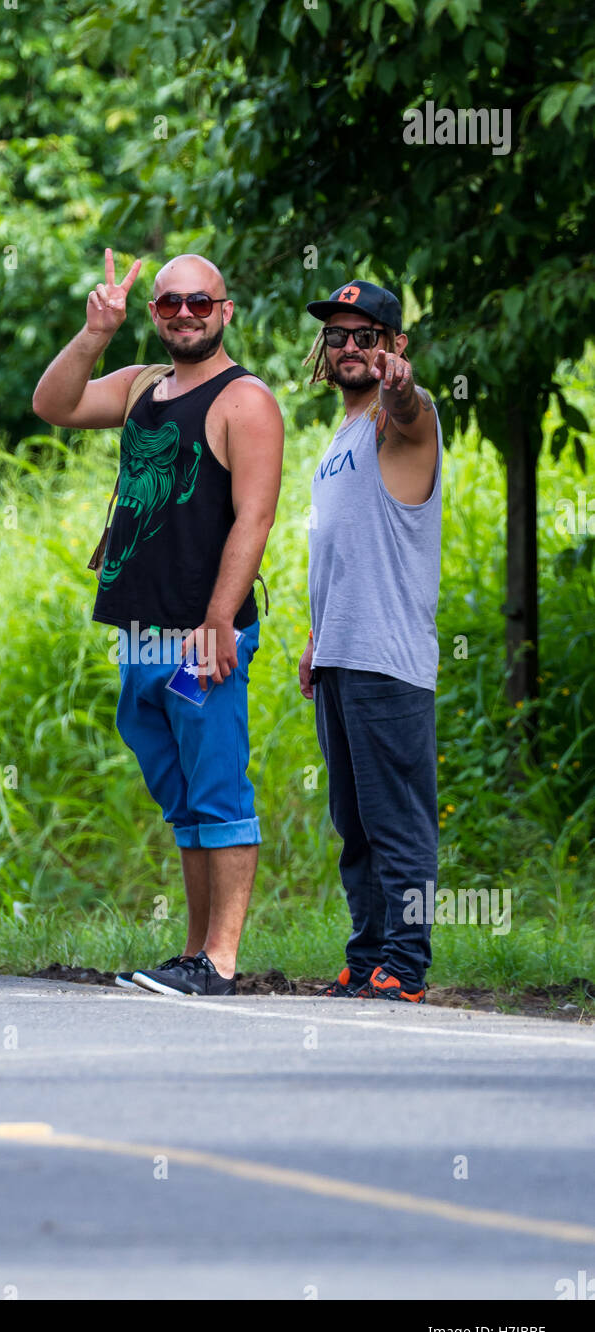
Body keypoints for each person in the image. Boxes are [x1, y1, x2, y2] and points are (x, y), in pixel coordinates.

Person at [33, 250, 283, 996]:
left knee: (217, 790)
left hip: (201, 631)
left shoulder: (246, 401)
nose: (184, 314)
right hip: (141, 628)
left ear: (225, 310)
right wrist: (94, 334)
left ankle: (222, 960)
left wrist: (216, 621)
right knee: (181, 798)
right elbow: (54, 405)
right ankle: (192, 955)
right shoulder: (145, 385)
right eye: (170, 303)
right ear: (153, 314)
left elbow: (255, 516)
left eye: (199, 303)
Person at [298, 280, 442, 1003]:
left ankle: (406, 967)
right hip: (340, 658)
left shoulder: (403, 421)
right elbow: (344, 548)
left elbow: (408, 406)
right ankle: (367, 957)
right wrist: (316, 639)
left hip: (388, 662)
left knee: (398, 824)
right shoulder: (339, 439)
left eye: (366, 336)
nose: (350, 347)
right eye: (338, 336)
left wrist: (403, 390)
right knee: (355, 826)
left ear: (394, 347)